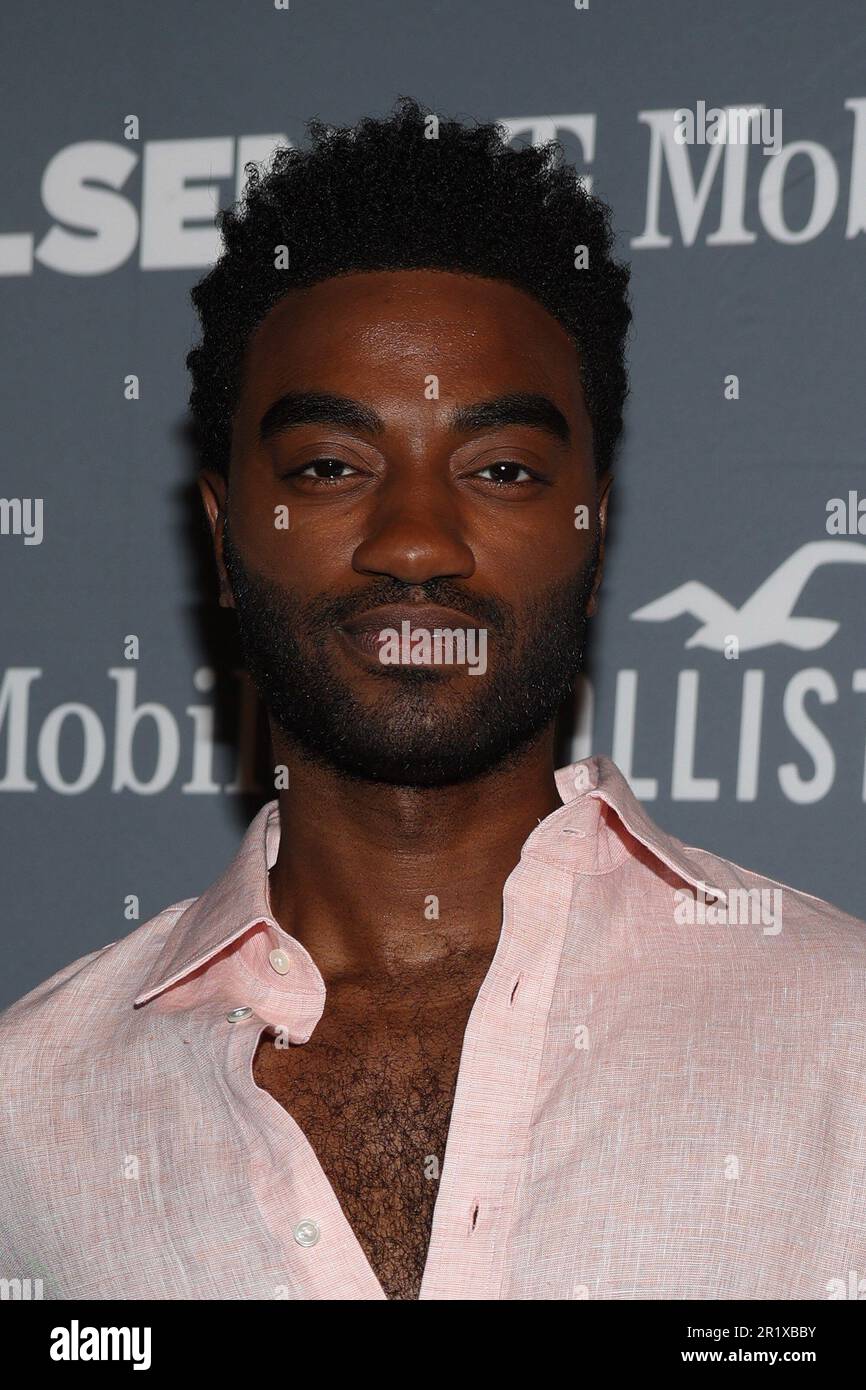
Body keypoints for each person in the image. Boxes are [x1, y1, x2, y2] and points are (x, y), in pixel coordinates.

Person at [1, 98, 864, 1302]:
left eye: (500, 469)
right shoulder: (29, 1112)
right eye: (330, 468)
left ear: (592, 531)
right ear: (223, 533)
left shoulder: (840, 1038)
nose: (414, 541)